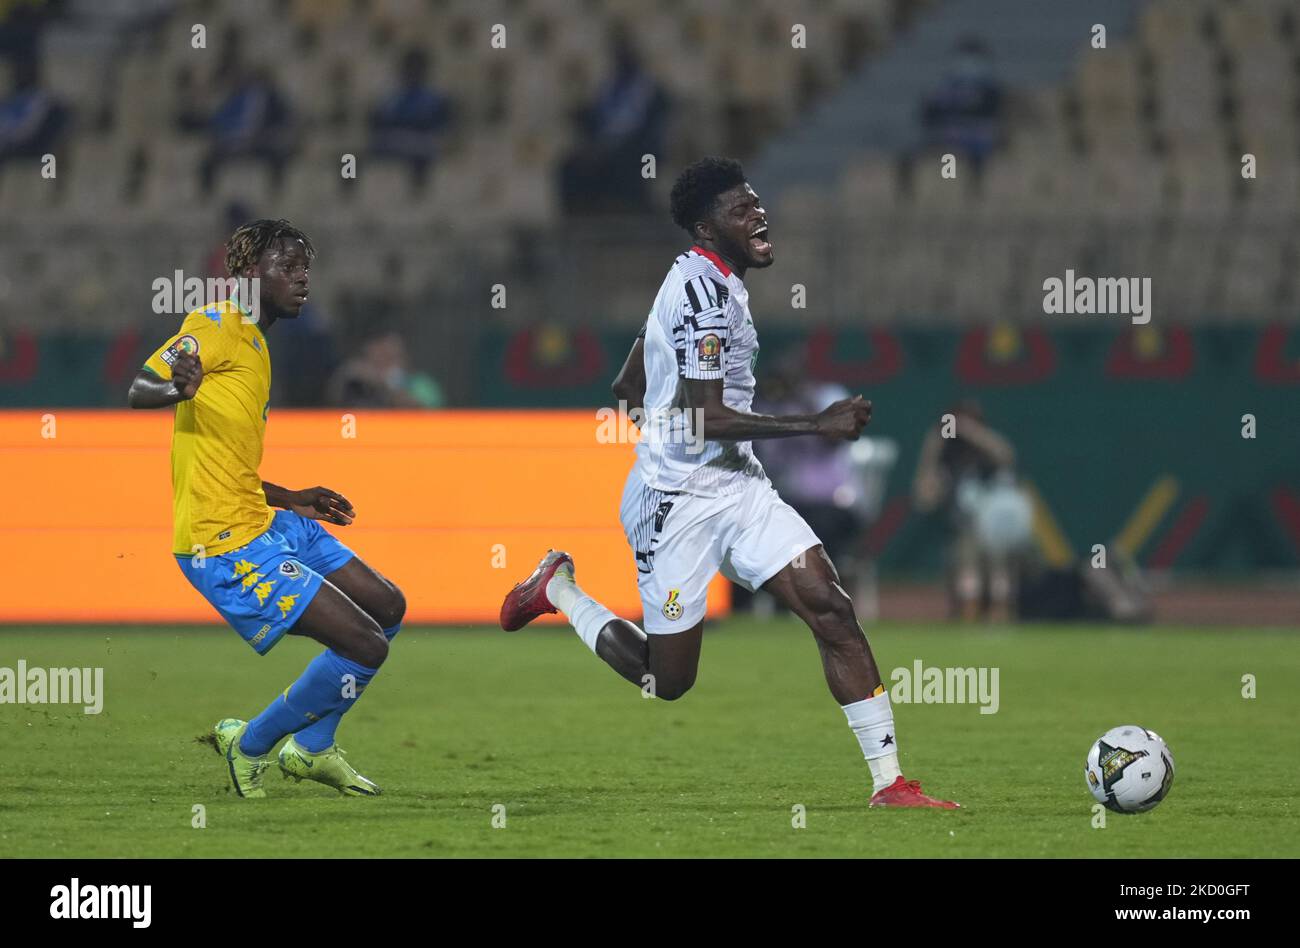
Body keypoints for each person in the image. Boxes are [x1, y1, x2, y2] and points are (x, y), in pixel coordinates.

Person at [500, 157, 958, 809]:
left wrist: (666, 436)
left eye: (757, 204)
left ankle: (891, 785)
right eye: (742, 210)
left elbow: (628, 387)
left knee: (830, 608)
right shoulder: (705, 296)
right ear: (706, 230)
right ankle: (560, 589)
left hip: (737, 486)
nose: (759, 215)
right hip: (677, 504)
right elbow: (702, 415)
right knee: (668, 681)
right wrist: (815, 424)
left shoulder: (699, 281)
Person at [127, 220, 405, 799]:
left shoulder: (256, 339)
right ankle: (250, 744)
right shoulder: (217, 323)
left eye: (306, 269)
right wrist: (176, 390)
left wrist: (292, 497)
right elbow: (139, 389)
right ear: (250, 276)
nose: (303, 280)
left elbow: (227, 460)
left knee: (387, 605)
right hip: (223, 540)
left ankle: (310, 749)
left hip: (265, 515)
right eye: (288, 268)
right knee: (366, 645)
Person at [912, 399, 1023, 621]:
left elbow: (1006, 455)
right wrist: (934, 446)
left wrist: (972, 432)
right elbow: (923, 498)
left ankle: (999, 611)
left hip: (998, 527)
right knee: (967, 551)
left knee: (996, 551)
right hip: (965, 528)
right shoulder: (948, 457)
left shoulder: (988, 452)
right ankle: (969, 611)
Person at [368, 47, 451, 188]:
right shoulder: (391, 98)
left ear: (425, 70)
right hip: (394, 143)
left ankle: (419, 188)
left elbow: (442, 128)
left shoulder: (435, 99)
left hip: (424, 145)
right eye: (409, 68)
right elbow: (379, 127)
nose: (413, 72)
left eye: (417, 68)